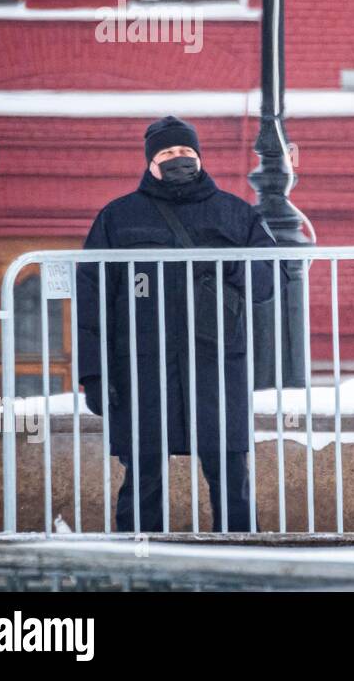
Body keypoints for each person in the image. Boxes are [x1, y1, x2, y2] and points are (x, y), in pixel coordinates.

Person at [76, 116, 275, 533]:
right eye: (167, 153)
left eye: (185, 152)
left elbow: (268, 281)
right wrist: (94, 373)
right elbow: (92, 300)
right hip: (143, 365)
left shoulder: (235, 214)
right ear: (149, 163)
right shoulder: (118, 217)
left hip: (216, 361)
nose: (178, 160)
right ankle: (139, 560)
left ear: (199, 158)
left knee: (228, 468)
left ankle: (241, 561)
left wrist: (222, 271)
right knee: (144, 470)